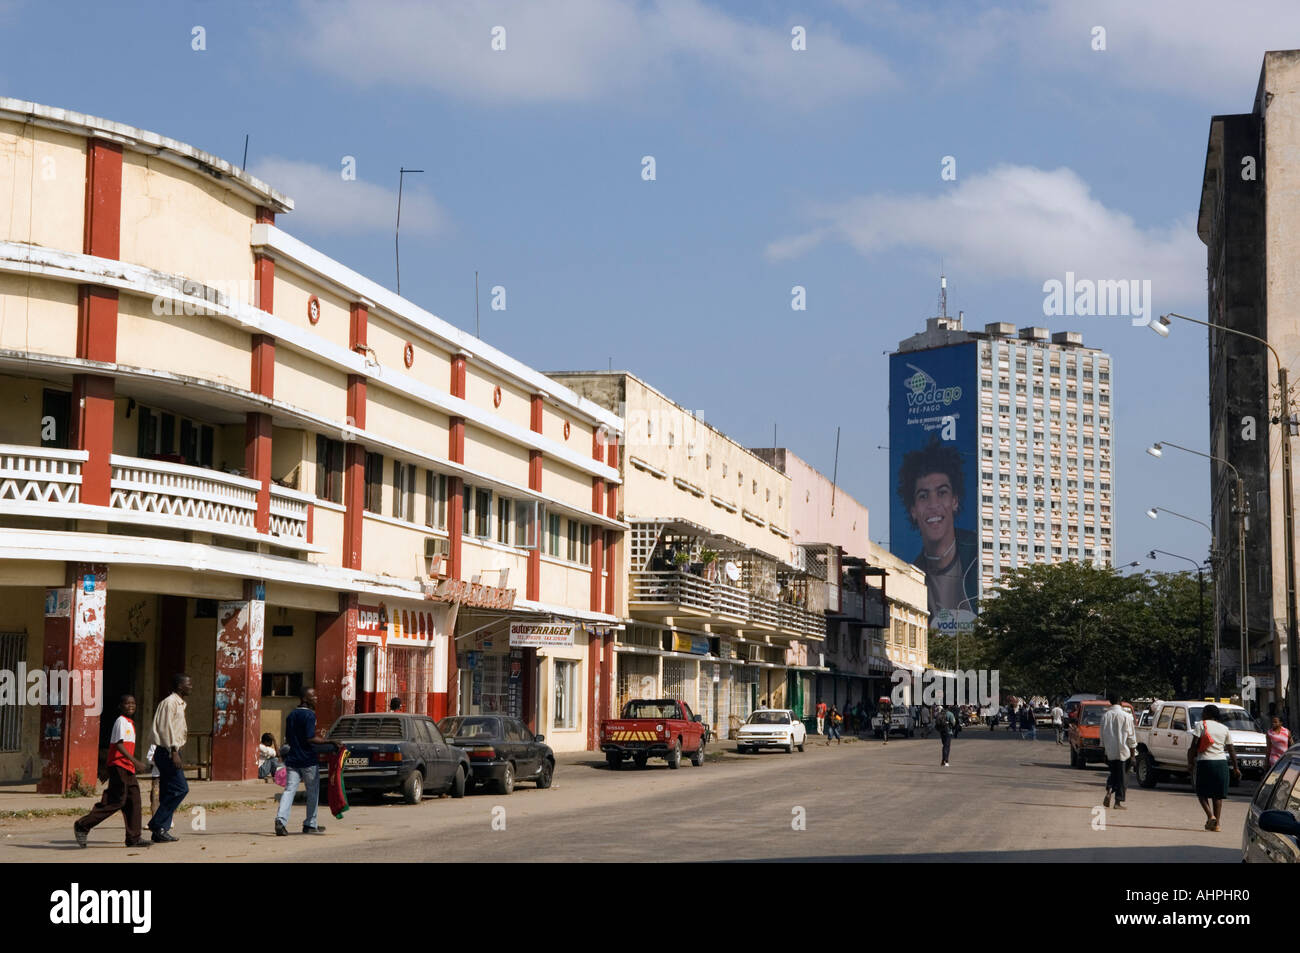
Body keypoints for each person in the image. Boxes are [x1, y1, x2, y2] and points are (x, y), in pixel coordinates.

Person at [898, 438, 980, 617]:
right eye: (923, 496)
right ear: (913, 510)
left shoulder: (979, 555)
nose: (933, 505)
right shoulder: (911, 576)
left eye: (942, 493)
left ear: (954, 501)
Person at [74, 695, 153, 849]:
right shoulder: (121, 721)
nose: (131, 705)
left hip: (126, 767)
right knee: (116, 801)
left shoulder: (130, 723)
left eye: (133, 703)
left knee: (134, 801)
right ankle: (82, 825)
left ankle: (134, 838)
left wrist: (110, 769)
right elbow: (118, 745)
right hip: (121, 767)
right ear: (120, 706)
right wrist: (136, 762)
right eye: (127, 703)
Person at [276, 687, 335, 836]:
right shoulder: (309, 715)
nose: (316, 699)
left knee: (289, 790)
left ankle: (280, 820)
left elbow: (289, 739)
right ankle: (310, 824)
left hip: (293, 759)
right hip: (308, 760)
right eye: (313, 697)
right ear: (305, 699)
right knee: (313, 792)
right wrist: (330, 741)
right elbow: (310, 738)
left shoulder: (291, 716)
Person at [146, 673, 191, 843]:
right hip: (166, 751)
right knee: (181, 788)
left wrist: (178, 751)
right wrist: (173, 752)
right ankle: (156, 823)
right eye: (188, 684)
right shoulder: (169, 703)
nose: (191, 687)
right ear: (180, 686)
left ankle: (160, 831)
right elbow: (166, 729)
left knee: (167, 791)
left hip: (172, 750)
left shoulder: (180, 704)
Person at [1188, 704, 1241, 832]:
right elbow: (1231, 750)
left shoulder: (1201, 725)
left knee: (1201, 792)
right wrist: (1235, 767)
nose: (1202, 715)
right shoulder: (1224, 728)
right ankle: (1217, 824)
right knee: (1218, 795)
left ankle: (1210, 816)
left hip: (1205, 762)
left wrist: (1190, 762)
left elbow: (1194, 745)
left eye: (1203, 712)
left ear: (1207, 714)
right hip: (1221, 763)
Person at [1100, 693, 1136, 810]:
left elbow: (1102, 736)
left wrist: (1104, 751)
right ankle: (1118, 802)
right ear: (1120, 701)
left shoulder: (1105, 716)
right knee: (1123, 778)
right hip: (1124, 752)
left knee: (1114, 774)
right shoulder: (1126, 716)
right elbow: (1131, 737)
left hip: (1110, 752)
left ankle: (1109, 789)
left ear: (1110, 702)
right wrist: (1133, 755)